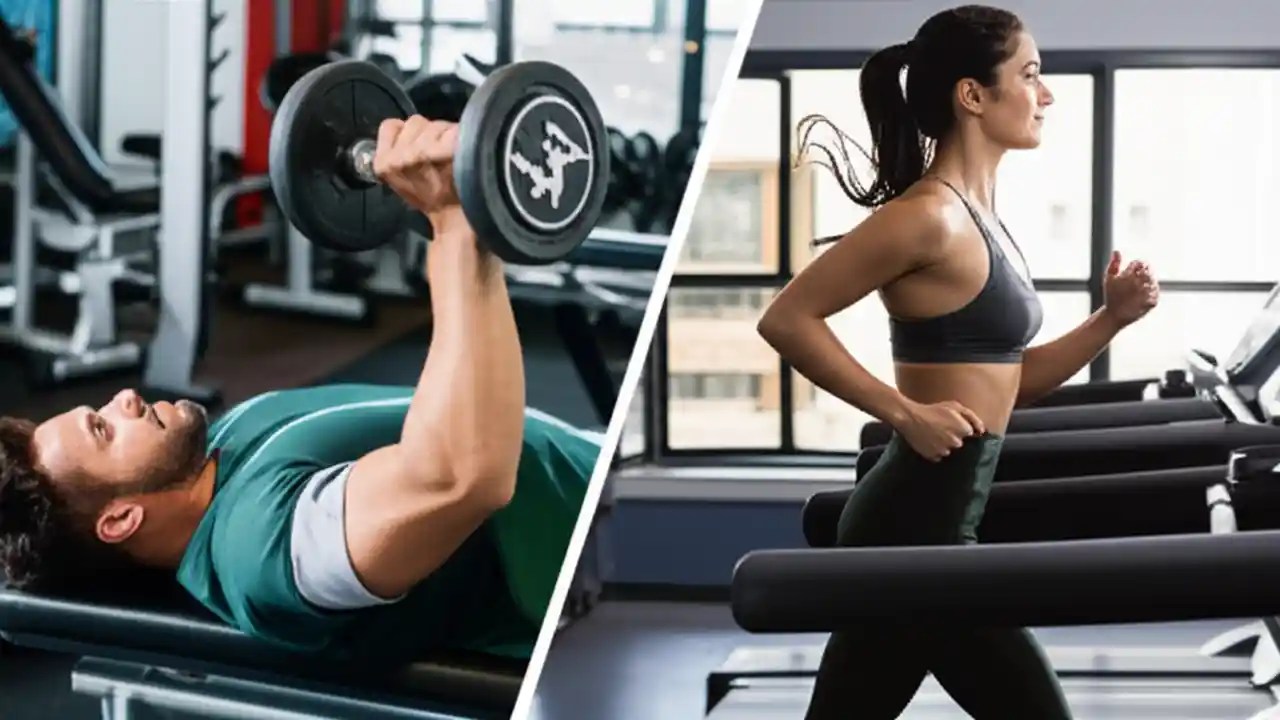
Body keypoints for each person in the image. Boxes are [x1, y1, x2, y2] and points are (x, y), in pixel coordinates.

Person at [0, 116, 601, 664]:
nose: (123, 399)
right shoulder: (261, 551)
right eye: (103, 429)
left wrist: (423, 195)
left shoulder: (218, 451)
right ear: (122, 519)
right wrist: (456, 227)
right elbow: (459, 478)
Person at [756, 5, 1159, 720]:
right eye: (1030, 75)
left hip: (933, 526)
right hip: (915, 529)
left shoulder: (981, 217)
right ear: (972, 95)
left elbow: (1013, 383)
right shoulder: (927, 217)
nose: (1047, 94)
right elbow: (786, 318)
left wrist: (1110, 319)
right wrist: (903, 412)